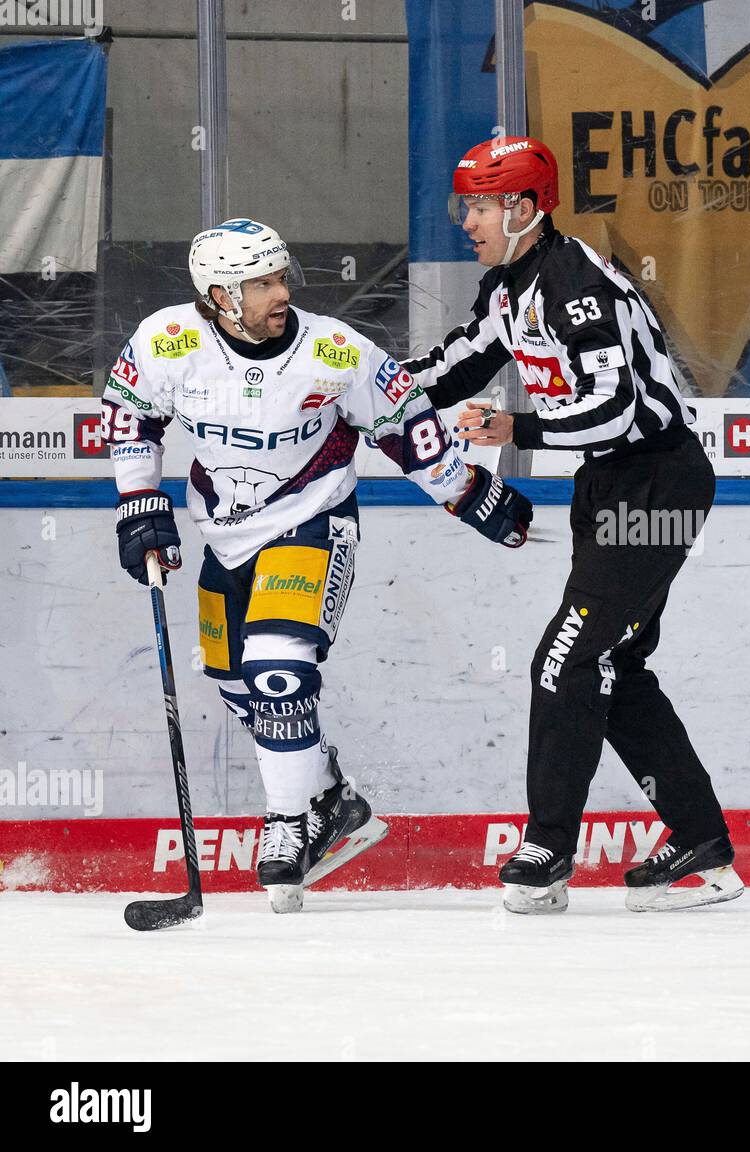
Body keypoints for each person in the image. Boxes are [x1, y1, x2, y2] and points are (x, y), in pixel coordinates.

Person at [103, 218, 532, 912]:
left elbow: (407, 428)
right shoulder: (166, 342)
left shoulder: (334, 351)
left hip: (313, 522)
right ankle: (332, 799)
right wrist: (139, 501)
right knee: (235, 682)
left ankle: (288, 822)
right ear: (219, 295)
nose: (282, 291)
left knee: (278, 669)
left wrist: (468, 493)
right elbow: (131, 417)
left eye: (281, 277)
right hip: (224, 535)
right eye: (262, 283)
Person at [403, 136, 740, 914]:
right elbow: (450, 368)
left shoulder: (571, 282)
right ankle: (700, 841)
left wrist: (515, 431)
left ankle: (548, 846)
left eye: (480, 206)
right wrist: (357, 383)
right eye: (467, 205)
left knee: (564, 660)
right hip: (611, 483)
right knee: (612, 669)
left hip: (658, 483)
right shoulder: (509, 287)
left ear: (524, 208)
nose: (467, 220)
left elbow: (617, 408)